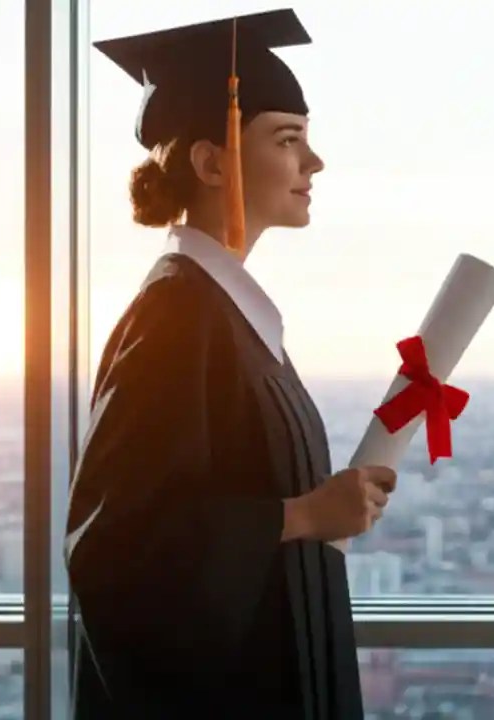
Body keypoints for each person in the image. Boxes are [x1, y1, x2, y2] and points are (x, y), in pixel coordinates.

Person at [64, 8, 397, 718]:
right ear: (212, 163)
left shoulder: (226, 312)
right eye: (289, 139)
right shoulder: (176, 318)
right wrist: (302, 515)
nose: (314, 162)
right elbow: (115, 549)